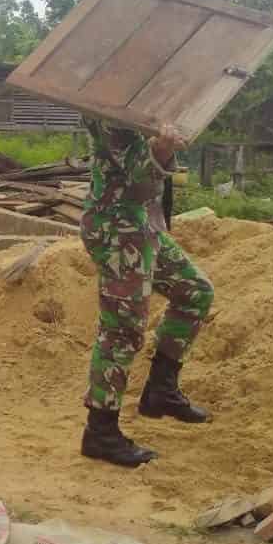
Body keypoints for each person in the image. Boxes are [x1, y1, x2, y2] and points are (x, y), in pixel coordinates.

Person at [79, 119, 213, 468]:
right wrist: (162, 149)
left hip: (141, 223)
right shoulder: (111, 110)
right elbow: (139, 181)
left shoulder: (144, 100)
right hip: (116, 226)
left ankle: (160, 392)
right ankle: (101, 433)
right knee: (121, 329)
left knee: (195, 291)